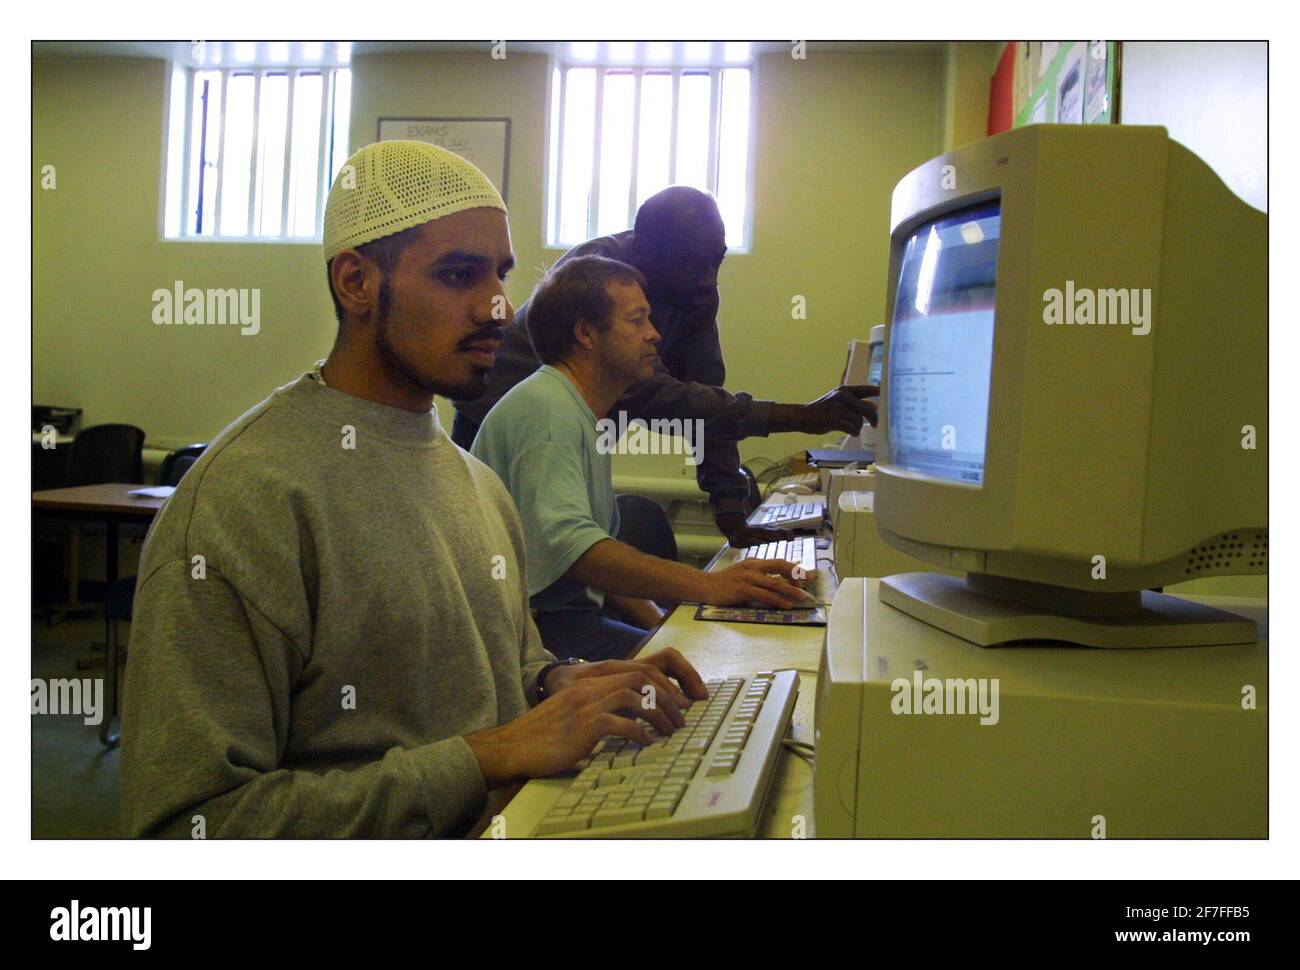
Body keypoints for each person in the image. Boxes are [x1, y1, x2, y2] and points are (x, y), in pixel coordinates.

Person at [121, 141, 706, 838]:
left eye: (500, 275)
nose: (498, 307)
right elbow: (189, 824)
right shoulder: (243, 501)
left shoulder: (478, 484)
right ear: (356, 283)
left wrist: (558, 684)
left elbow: (504, 671)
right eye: (459, 275)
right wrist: (488, 756)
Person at [451, 185, 877, 549]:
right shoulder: (595, 278)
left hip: (581, 436)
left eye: (717, 261)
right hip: (495, 421)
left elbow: (705, 401)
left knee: (563, 553)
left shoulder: (694, 290)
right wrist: (797, 416)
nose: (708, 279)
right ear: (644, 250)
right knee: (492, 547)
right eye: (693, 263)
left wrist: (732, 516)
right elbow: (652, 396)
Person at [471, 255, 814, 662]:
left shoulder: (574, 407)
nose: (654, 334)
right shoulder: (548, 411)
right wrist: (710, 586)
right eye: (636, 321)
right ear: (585, 334)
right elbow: (577, 551)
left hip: (564, 618)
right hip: (533, 633)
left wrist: (663, 625)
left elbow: (589, 557)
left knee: (697, 648)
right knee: (709, 665)